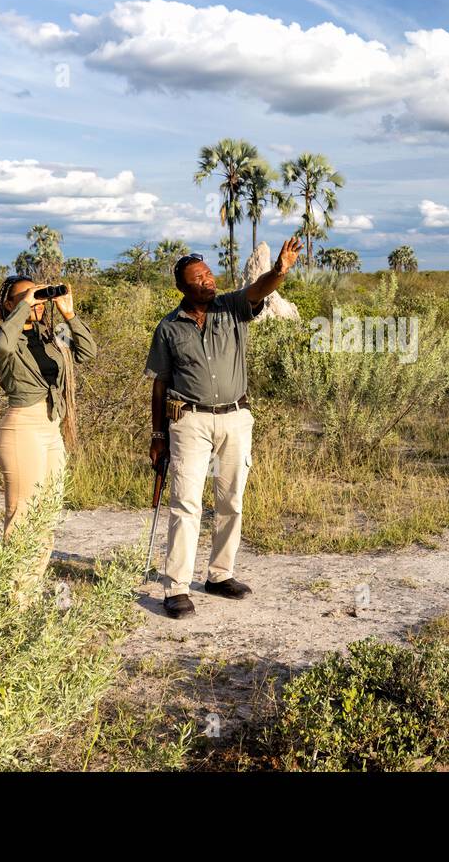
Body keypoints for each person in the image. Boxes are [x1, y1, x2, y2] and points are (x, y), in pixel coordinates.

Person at [145, 237, 302, 619]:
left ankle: (219, 575)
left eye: (209, 273)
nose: (208, 280)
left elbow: (258, 289)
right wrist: (158, 435)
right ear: (182, 287)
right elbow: (160, 383)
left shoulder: (232, 307)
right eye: (198, 278)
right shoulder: (168, 328)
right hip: (189, 420)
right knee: (186, 502)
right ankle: (177, 588)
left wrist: (279, 271)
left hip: (235, 416)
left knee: (231, 499)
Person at [0, 276, 97, 599]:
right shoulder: (2, 338)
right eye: (25, 295)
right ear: (10, 304)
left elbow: (88, 351)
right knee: (21, 515)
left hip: (51, 429)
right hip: (22, 428)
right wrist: (24, 307)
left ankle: (29, 590)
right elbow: (4, 345)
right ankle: (14, 598)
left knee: (46, 514)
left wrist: (68, 313)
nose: (36, 301)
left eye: (38, 294)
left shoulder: (51, 338)